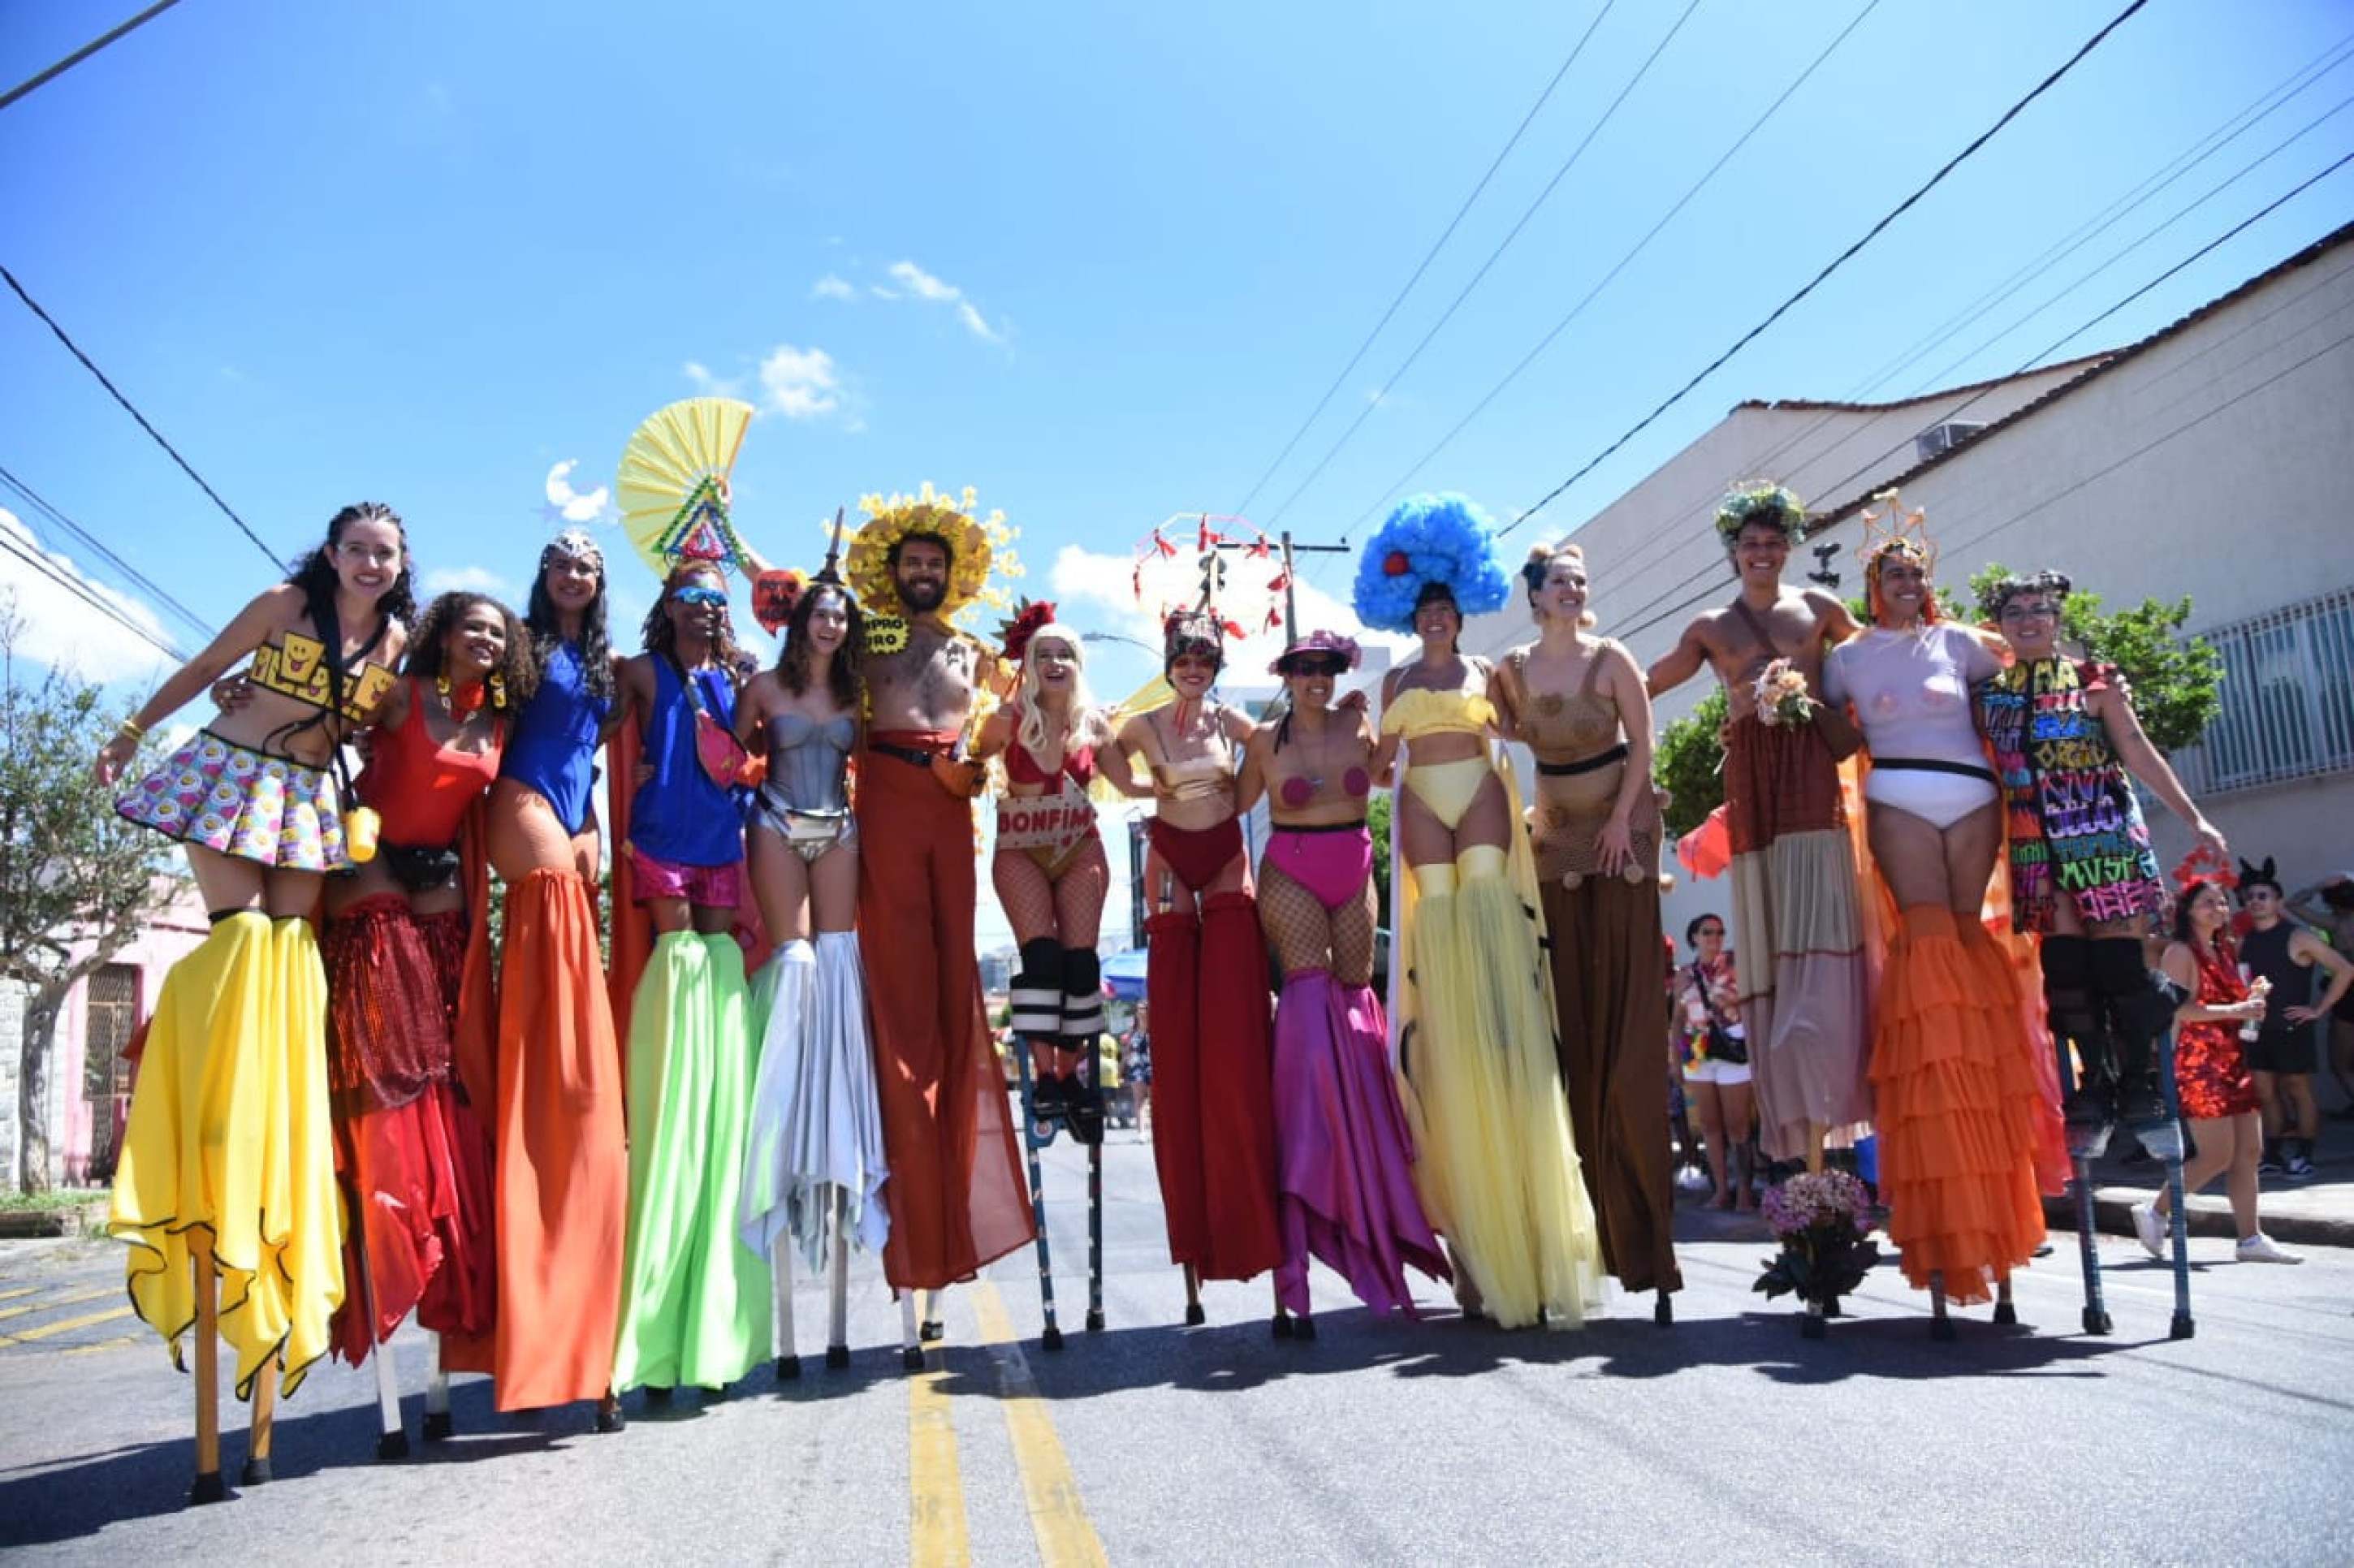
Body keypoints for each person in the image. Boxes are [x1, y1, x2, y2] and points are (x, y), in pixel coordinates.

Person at [100, 501, 411, 1492]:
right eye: (357, 547)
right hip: (235, 775)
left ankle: (271, 1098)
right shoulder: (285, 601)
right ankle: (195, 1064)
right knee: (239, 944)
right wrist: (132, 728)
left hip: (314, 800)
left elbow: (390, 722)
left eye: (386, 552)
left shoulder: (396, 637)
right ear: (332, 553)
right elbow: (202, 670)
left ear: (401, 566)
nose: (370, 561)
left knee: (288, 955)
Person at [1358, 492, 1603, 1329]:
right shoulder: (1393, 680)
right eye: (1423, 608)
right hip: (1422, 792)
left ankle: (1503, 1014)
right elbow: (1379, 766)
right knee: (1443, 916)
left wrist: (1586, 783)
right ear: (1410, 616)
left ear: (1459, 617)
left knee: (1492, 906)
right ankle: (1453, 1019)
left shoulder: (1485, 672)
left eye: (1444, 608)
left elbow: (1530, 732)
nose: (1434, 617)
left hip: (1482, 790)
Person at [1820, 508, 2045, 1315]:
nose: (1907, 585)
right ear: (1871, 589)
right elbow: (1832, 743)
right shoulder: (1845, 660)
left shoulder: (1966, 644)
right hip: (1898, 796)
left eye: (1915, 572)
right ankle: (1940, 1150)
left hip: (1973, 799)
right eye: (1892, 575)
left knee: (1964, 941)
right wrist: (1778, 699)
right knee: (1924, 945)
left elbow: (2030, 690)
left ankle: (1986, 1125)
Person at [318, 593, 526, 1381]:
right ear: (443, 631)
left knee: (446, 1041)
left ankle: (439, 1203)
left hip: (438, 871)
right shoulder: (401, 692)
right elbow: (324, 720)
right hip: (370, 857)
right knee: (389, 1024)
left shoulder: (499, 725)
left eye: (497, 632)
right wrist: (243, 694)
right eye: (472, 625)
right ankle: (388, 1193)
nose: (484, 638)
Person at [843, 486, 1034, 1305]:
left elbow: (1035, 709)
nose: (923, 571)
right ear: (891, 573)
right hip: (882, 802)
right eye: (911, 561)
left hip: (951, 811)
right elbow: (806, 663)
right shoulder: (868, 636)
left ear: (952, 577)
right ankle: (904, 1196)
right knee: (898, 991)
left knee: (955, 987)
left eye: (934, 562)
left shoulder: (972, 653)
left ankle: (954, 1200)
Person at [1648, 482, 1869, 1169]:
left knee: (1824, 920)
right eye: (1749, 544)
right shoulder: (1710, 624)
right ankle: (1787, 1114)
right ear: (1732, 552)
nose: (1762, 553)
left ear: (1788, 546)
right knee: (1768, 931)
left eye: (1773, 542)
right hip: (1750, 778)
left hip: (1809, 774)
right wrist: (1575, 680)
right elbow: (1647, 681)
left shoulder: (1821, 607)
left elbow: (1876, 660)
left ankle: (1834, 1089)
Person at [1237, 630, 1448, 1329]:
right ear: (1285, 676)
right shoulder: (1263, 739)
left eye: (1325, 669)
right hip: (1290, 868)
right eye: (1303, 670)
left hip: (1354, 863)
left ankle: (1371, 1160)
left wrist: (1400, 706)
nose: (1315, 679)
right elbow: (1222, 801)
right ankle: (1309, 1161)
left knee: (1358, 1008)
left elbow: (1391, 768)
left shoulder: (1359, 718)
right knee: (1303, 998)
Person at [1497, 540, 1682, 1316]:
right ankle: (1576, 1232)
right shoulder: (1508, 668)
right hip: (1554, 836)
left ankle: (1646, 1237)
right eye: (1559, 582)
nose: (1573, 590)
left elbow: (1644, 745)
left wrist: (1619, 821)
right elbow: (1487, 732)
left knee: (1627, 1017)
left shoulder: (1611, 658)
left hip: (1622, 831)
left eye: (1580, 579)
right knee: (1568, 1017)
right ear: (1535, 596)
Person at [471, 528, 629, 1426]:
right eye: (563, 563)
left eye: (589, 567)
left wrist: (595, 828)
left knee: (579, 942)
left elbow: (594, 753)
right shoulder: (518, 647)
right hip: (519, 806)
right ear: (543, 575)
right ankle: (552, 1087)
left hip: (573, 815)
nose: (574, 575)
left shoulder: (602, 663)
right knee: (557, 930)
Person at [1979, 570, 2227, 1144]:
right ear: (1999, 625)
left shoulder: (2094, 680)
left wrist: (2194, 818)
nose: (2027, 620)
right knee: (2066, 969)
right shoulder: (1989, 694)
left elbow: (2136, 750)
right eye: (2014, 612)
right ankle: (2094, 1082)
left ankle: (2138, 1080)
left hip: (2101, 835)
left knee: (2118, 966)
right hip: (2034, 844)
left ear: (2057, 618)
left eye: (2037, 609)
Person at [609, 561, 771, 1395]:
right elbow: (590, 704)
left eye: (715, 600)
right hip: (660, 840)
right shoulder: (643, 670)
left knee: (717, 961)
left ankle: (717, 1074)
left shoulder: (736, 679)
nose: (703, 611)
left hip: (722, 841)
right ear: (666, 607)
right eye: (690, 598)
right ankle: (672, 1075)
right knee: (676, 961)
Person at [1100, 609, 1283, 1307]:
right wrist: (1148, 791)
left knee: (1233, 1033)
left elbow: (1267, 744)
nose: (1193, 669)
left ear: (1215, 667)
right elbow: (1107, 752)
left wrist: (1243, 795)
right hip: (1172, 855)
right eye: (1183, 659)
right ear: (1170, 661)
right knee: (1179, 1032)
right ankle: (1194, 1249)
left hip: (1225, 852)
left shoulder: (1227, 720)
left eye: (1204, 660)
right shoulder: (1147, 723)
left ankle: (1253, 1224)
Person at [735, 561, 890, 1285]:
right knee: (794, 967)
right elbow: (733, 762)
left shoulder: (857, 692)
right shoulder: (763, 687)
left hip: (839, 827)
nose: (831, 624)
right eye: (821, 613)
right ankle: (781, 1132)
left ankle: (840, 1140)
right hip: (773, 821)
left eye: (841, 617)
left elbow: (880, 770)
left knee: (838, 964)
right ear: (801, 621)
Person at [977, 609, 1117, 1138]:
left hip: (1079, 847)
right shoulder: (1005, 717)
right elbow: (964, 762)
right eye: (1043, 653)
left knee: (1080, 965)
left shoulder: (1094, 722)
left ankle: (1069, 1075)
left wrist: (1194, 781)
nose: (1054, 661)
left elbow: (1134, 778)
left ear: (1077, 664)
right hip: (1021, 849)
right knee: (1042, 960)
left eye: (1064, 653)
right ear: (1029, 664)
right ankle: (1044, 1077)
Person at [2139, 879, 2300, 1263]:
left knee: (2250, 1150)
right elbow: (2178, 1009)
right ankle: (2156, 1210)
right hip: (2199, 1062)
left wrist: (2252, 999)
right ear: (2189, 910)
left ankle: (2250, 1239)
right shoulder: (2179, 952)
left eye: (2223, 903)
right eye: (2208, 903)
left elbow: (2228, 1005)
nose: (2218, 909)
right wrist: (2236, 1010)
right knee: (2215, 1155)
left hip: (2232, 1056)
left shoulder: (2224, 950)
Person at [2237, 859, 2353, 1178]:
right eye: (2251, 897)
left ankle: (2304, 1154)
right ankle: (2272, 1153)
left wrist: (2319, 1010)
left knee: (2297, 1088)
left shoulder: (2298, 936)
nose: (2255, 901)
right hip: (2257, 1028)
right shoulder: (2244, 941)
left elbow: (2345, 969)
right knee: (2264, 1092)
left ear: (2277, 902)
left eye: (2263, 896)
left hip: (2292, 1026)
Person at [1671, 916, 1754, 1211]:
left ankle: (1744, 1191)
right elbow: (1678, 1020)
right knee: (1709, 1125)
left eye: (1720, 932)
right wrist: (1674, 1059)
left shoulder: (1736, 966)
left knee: (1739, 1126)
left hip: (1732, 1051)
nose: (1714, 938)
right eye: (1707, 932)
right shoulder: (1684, 975)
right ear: (1694, 937)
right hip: (1698, 1053)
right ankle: (1721, 1190)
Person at [2285, 873, 2354, 1114]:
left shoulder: (2337, 924)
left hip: (2348, 993)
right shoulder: (2337, 923)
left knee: (2340, 1062)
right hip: (2346, 991)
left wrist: (2317, 884)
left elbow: (2292, 904)